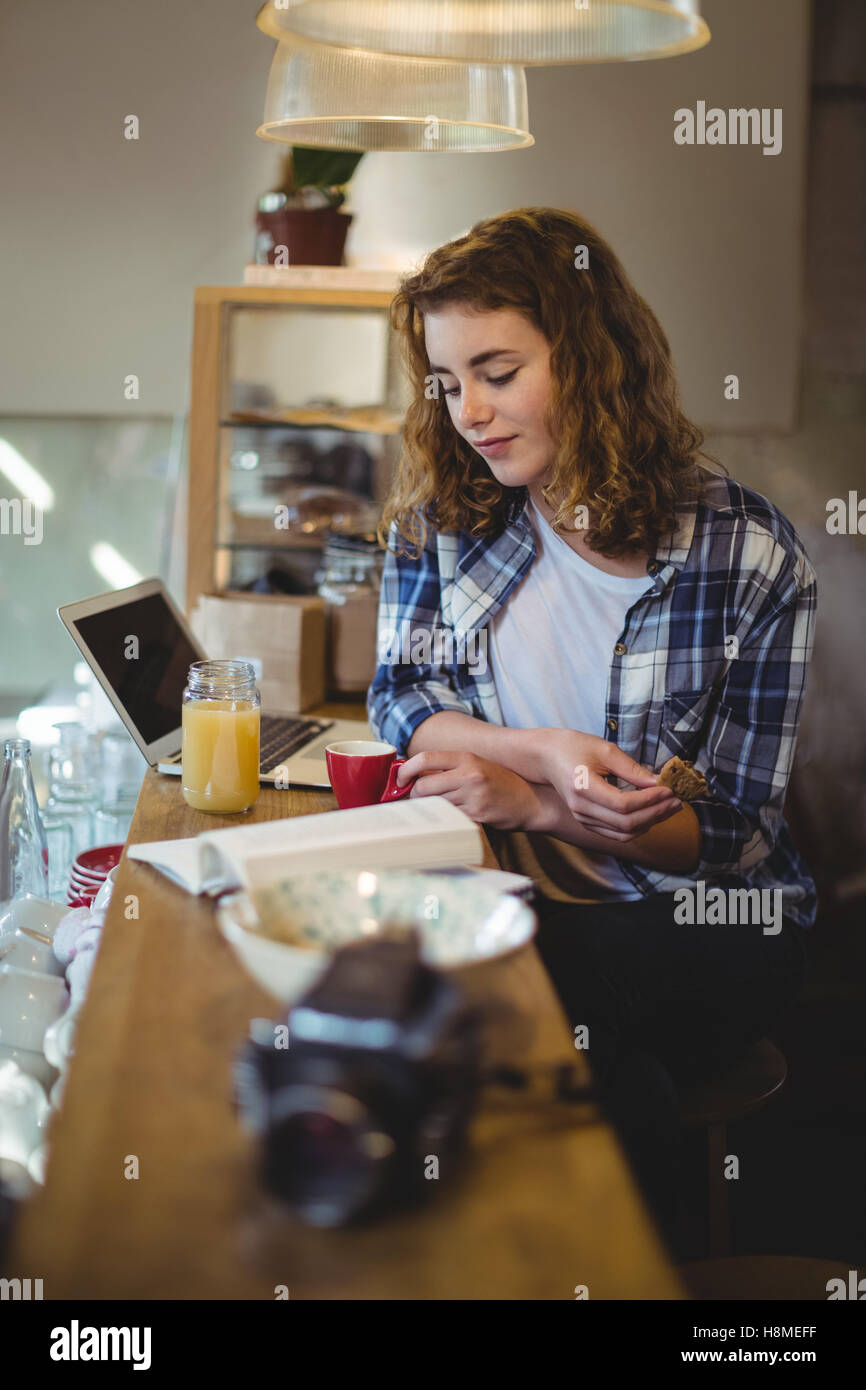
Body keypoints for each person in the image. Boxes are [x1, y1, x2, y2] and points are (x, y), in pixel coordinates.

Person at [366, 207, 817, 1248]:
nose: (471, 413)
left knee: (515, 998)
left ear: (589, 355)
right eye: (447, 383)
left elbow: (730, 834)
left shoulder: (748, 553)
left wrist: (533, 805)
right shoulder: (443, 522)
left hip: (715, 919)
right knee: (596, 1066)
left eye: (498, 372)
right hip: (522, 896)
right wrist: (537, 755)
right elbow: (400, 698)